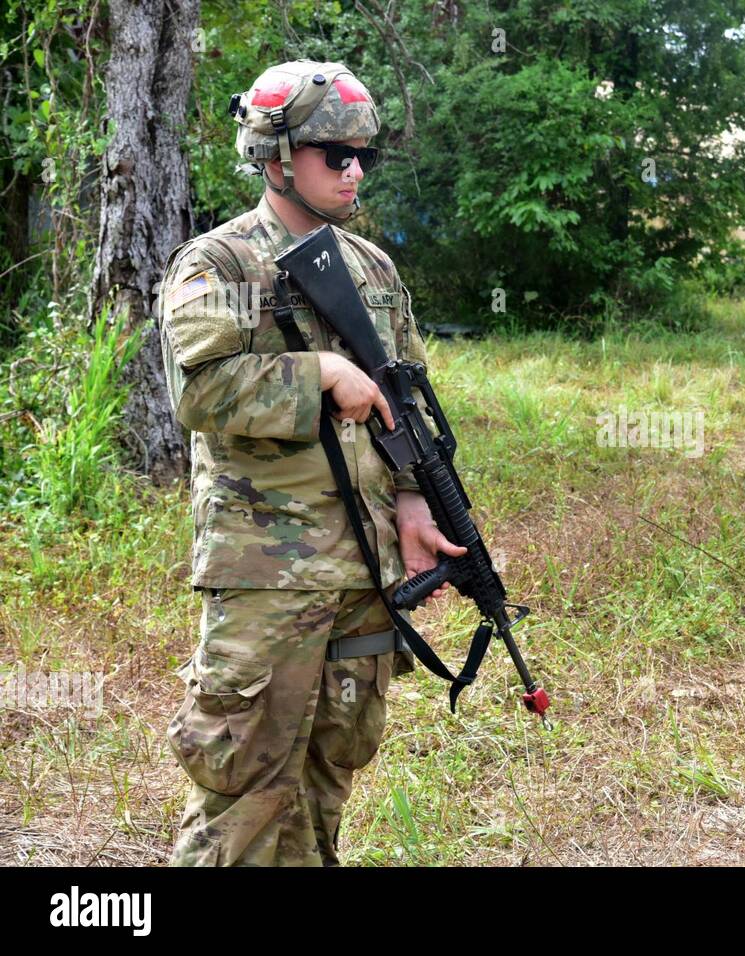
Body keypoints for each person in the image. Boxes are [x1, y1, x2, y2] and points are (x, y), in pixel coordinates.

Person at [158, 60, 465, 866]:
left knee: (328, 774)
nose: (354, 169)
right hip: (269, 574)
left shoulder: (373, 269)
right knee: (246, 786)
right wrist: (319, 376)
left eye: (364, 154)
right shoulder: (217, 265)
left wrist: (413, 503)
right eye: (335, 153)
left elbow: (407, 402)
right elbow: (200, 393)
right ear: (275, 155)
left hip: (362, 567)